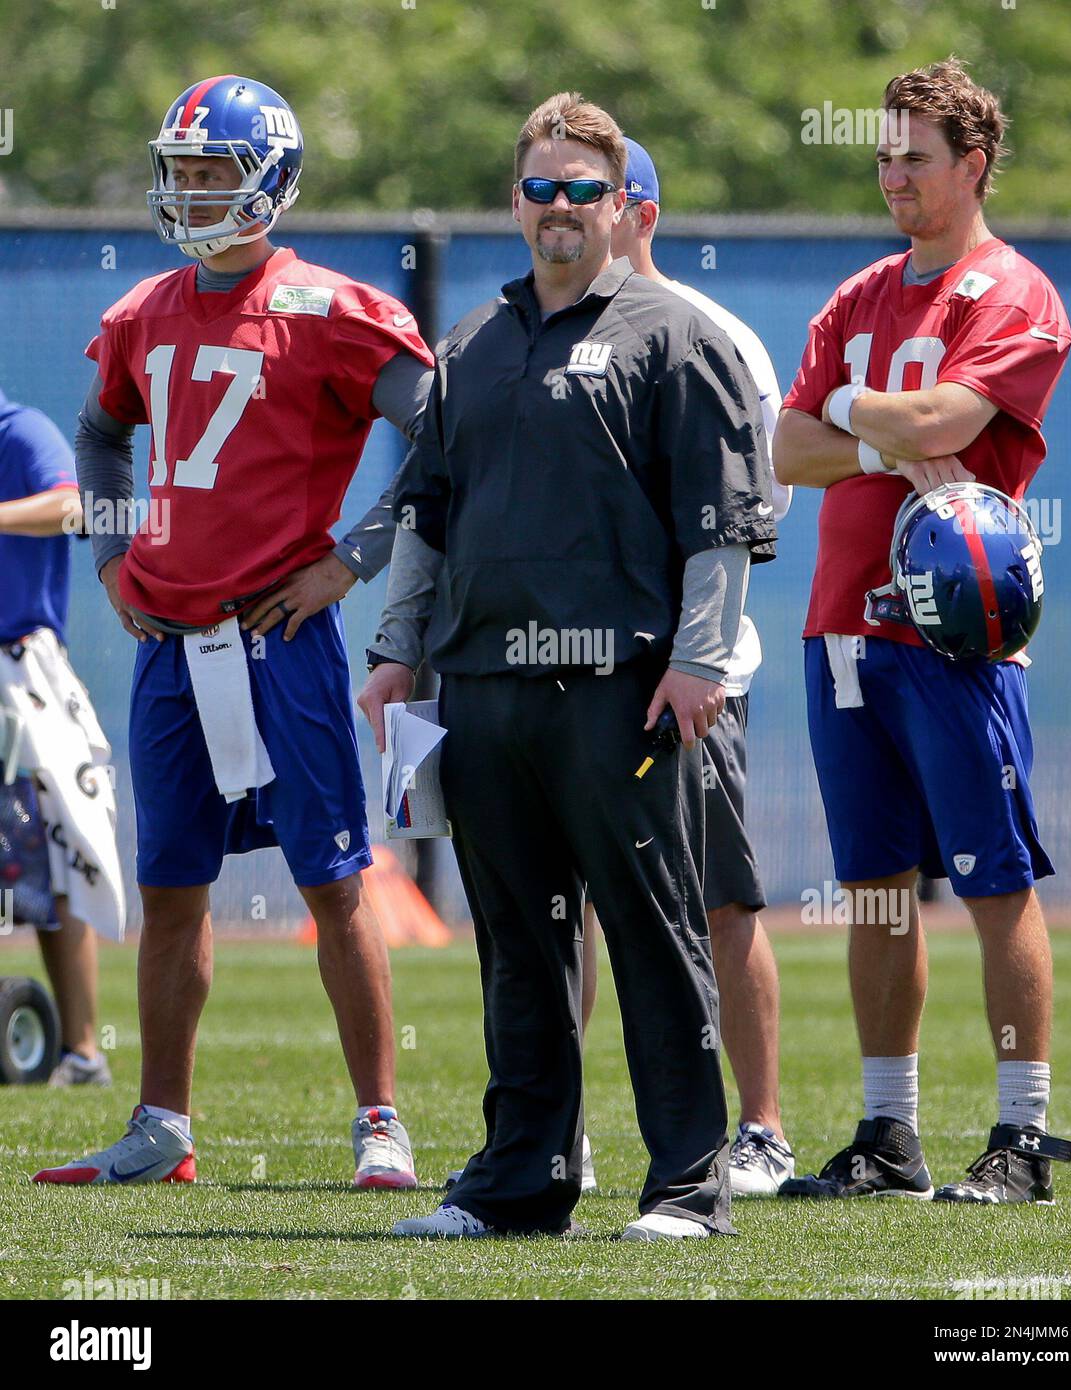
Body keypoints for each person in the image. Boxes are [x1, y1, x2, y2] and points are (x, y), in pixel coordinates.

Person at [361, 92, 776, 1241]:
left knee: (653, 938)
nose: (559, 208)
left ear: (618, 203)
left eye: (582, 190)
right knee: (519, 950)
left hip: (620, 694)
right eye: (540, 188)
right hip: (485, 695)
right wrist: (398, 651)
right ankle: (519, 1181)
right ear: (515, 201)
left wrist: (697, 662)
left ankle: (689, 1186)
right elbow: (425, 515)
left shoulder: (672, 333)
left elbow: (724, 524)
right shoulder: (472, 344)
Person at [32, 75, 434, 1187]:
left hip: (280, 638)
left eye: (217, 172)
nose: (195, 192)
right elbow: (102, 437)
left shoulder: (334, 309)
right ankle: (162, 1123)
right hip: (170, 641)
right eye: (184, 172)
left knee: (333, 877)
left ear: (274, 182)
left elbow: (443, 443)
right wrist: (111, 551)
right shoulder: (146, 310)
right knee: (168, 885)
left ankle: (380, 1121)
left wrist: (347, 562)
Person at [773, 58, 1071, 1203]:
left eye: (917, 156)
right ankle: (887, 1135)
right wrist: (869, 435)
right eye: (884, 154)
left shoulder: (1016, 293)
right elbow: (785, 450)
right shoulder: (858, 295)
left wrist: (847, 408)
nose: (895, 174)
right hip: (842, 621)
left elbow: (947, 417)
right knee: (878, 889)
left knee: (995, 882)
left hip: (956, 628)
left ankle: (1022, 1137)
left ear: (974, 165)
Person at [0, 386, 123, 1085]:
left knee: (55, 848)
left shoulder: (21, 430)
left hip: (20, 674)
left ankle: (82, 1050)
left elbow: (70, 503)